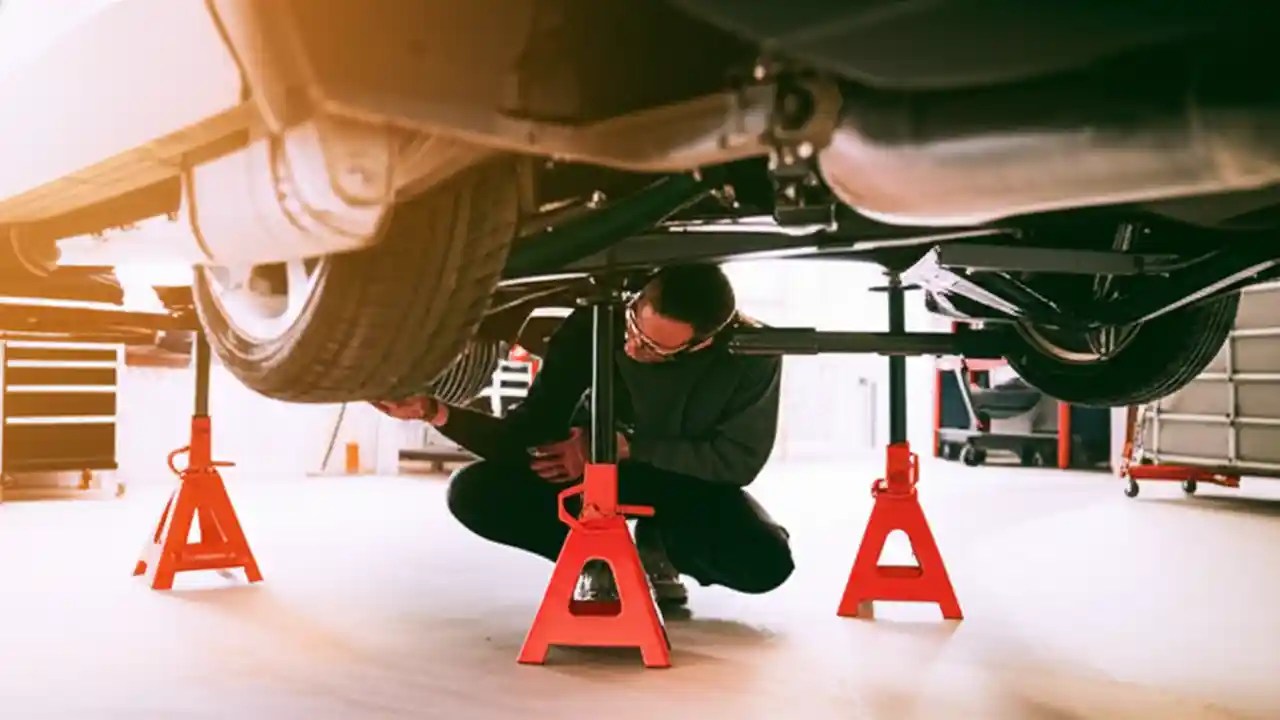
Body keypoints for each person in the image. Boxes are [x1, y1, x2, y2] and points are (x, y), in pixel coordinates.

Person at [374, 264, 793, 607]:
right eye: (634, 327)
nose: (632, 348)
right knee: (474, 492)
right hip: (590, 474)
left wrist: (619, 447)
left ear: (700, 346)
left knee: (765, 563)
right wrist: (434, 411)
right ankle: (600, 560)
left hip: (686, 482)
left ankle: (660, 547)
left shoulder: (752, 355)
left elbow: (738, 462)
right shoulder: (597, 324)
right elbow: (526, 434)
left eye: (653, 349)